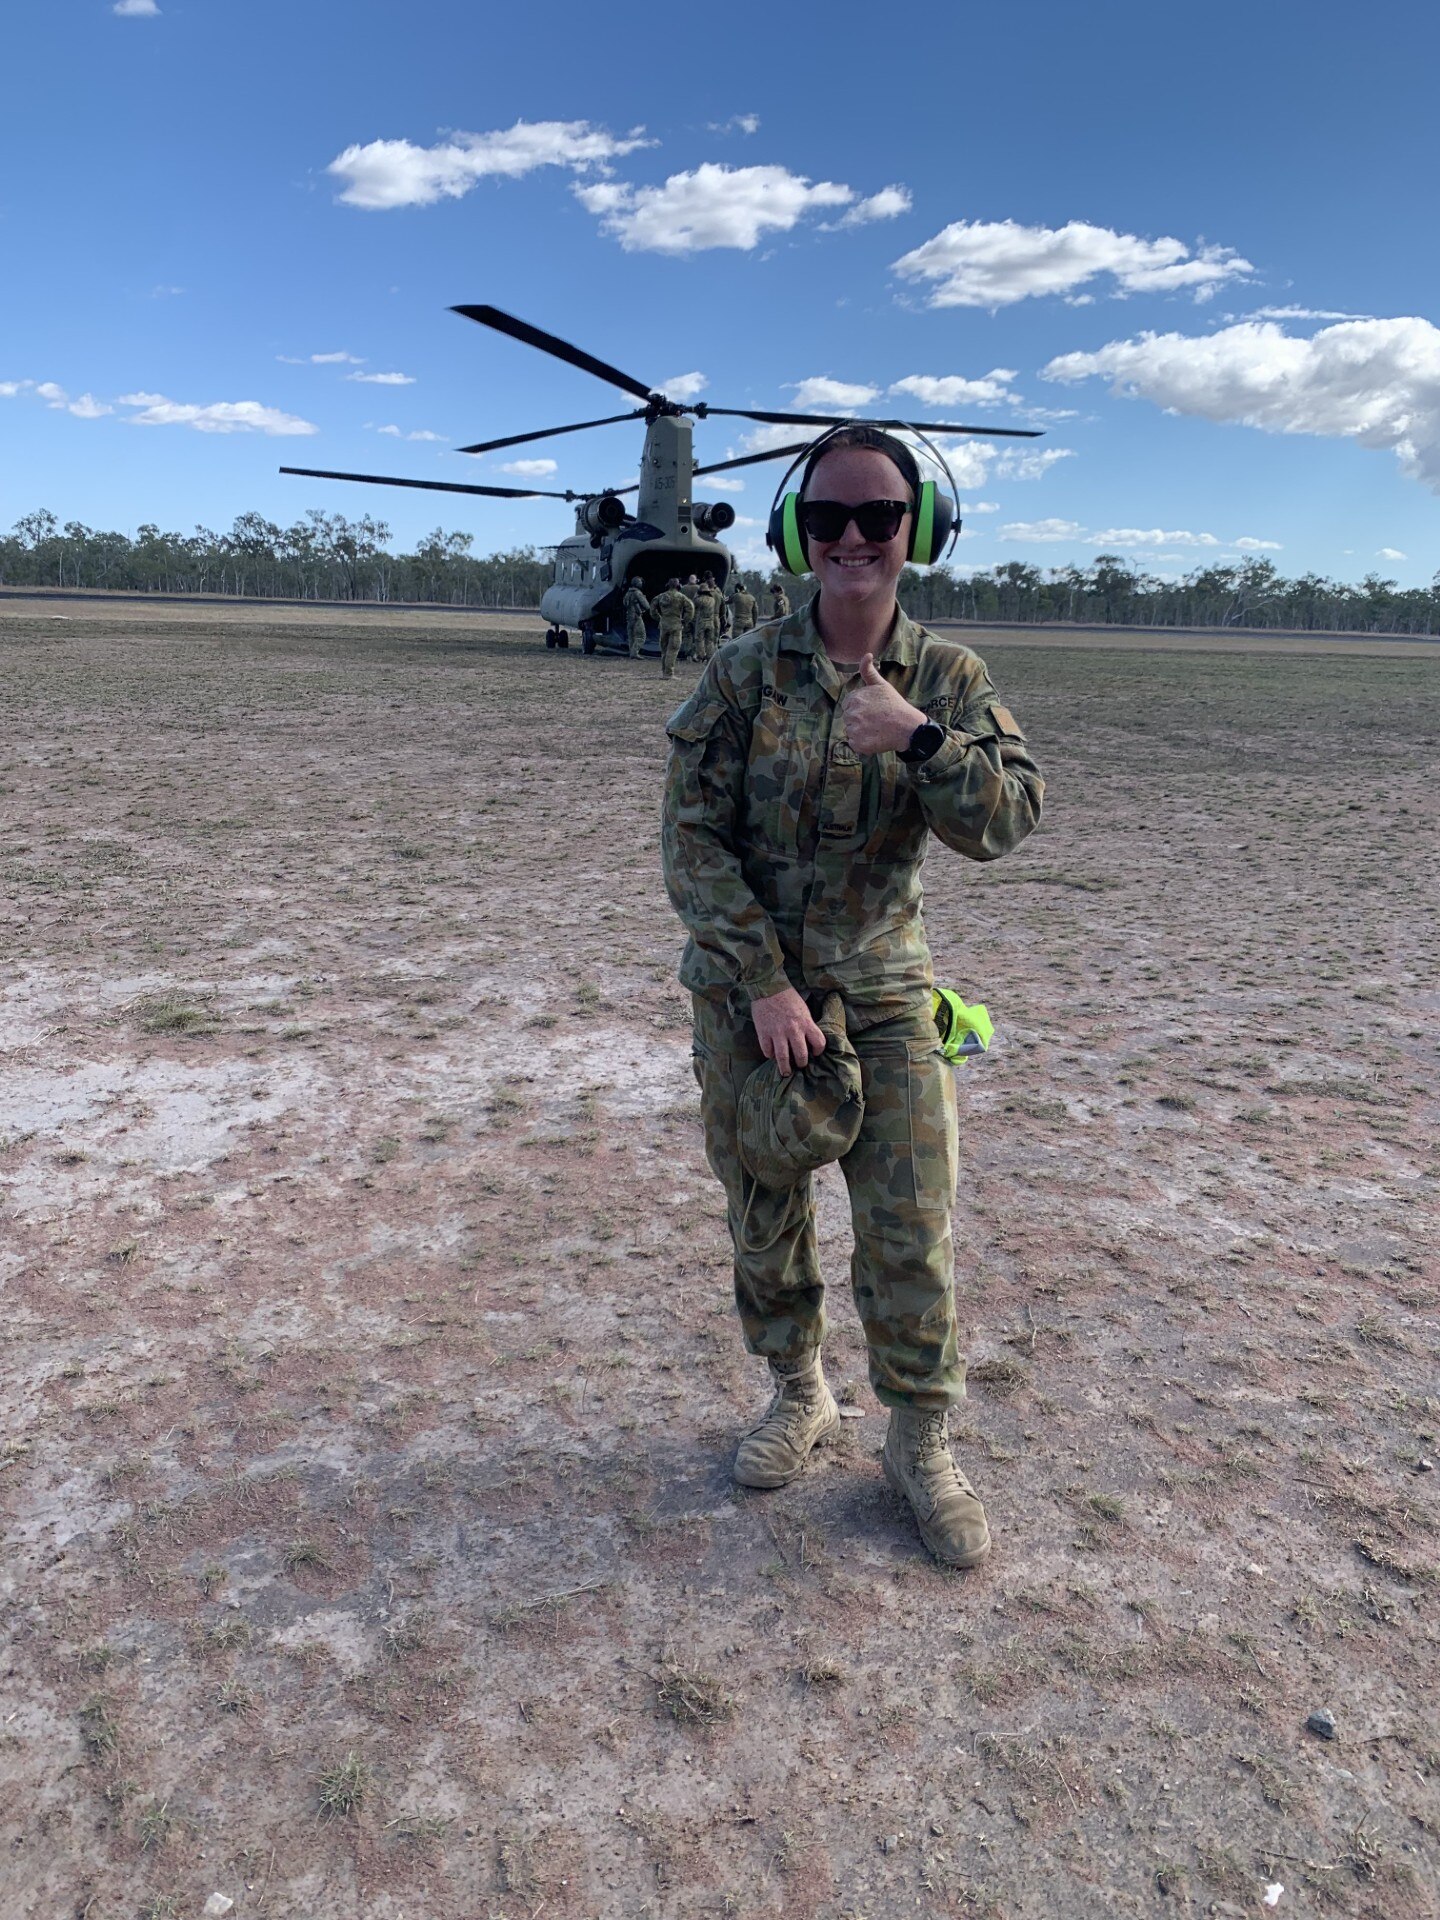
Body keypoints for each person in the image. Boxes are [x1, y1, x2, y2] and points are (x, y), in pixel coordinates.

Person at [661, 425, 1045, 1569]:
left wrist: (919, 739)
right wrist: (766, 983)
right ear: (797, 533)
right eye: (827, 518)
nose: (852, 540)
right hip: (751, 1000)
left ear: (914, 532)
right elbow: (692, 846)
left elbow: (1007, 820)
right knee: (765, 1216)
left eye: (879, 517)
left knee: (910, 1227)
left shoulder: (949, 680)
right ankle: (800, 1394)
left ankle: (918, 1442)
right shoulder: (739, 674)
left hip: (885, 993)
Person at [650, 578, 693, 679]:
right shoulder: (681, 597)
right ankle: (669, 674)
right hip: (675, 625)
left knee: (664, 650)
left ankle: (664, 672)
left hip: (664, 625)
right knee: (673, 649)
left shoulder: (660, 596)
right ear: (678, 586)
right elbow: (690, 609)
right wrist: (684, 621)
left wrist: (659, 618)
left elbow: (652, 610)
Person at [692, 574, 722, 663]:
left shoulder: (699, 599)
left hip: (701, 622)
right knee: (710, 641)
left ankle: (701, 656)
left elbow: (693, 603)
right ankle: (710, 656)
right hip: (711, 622)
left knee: (699, 639)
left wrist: (697, 593)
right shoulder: (712, 599)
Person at [623, 578, 652, 659]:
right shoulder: (638, 593)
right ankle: (634, 653)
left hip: (629, 616)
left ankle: (631, 652)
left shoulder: (628, 593)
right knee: (641, 636)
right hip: (636, 616)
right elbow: (647, 606)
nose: (641, 584)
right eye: (640, 582)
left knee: (631, 636)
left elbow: (624, 603)